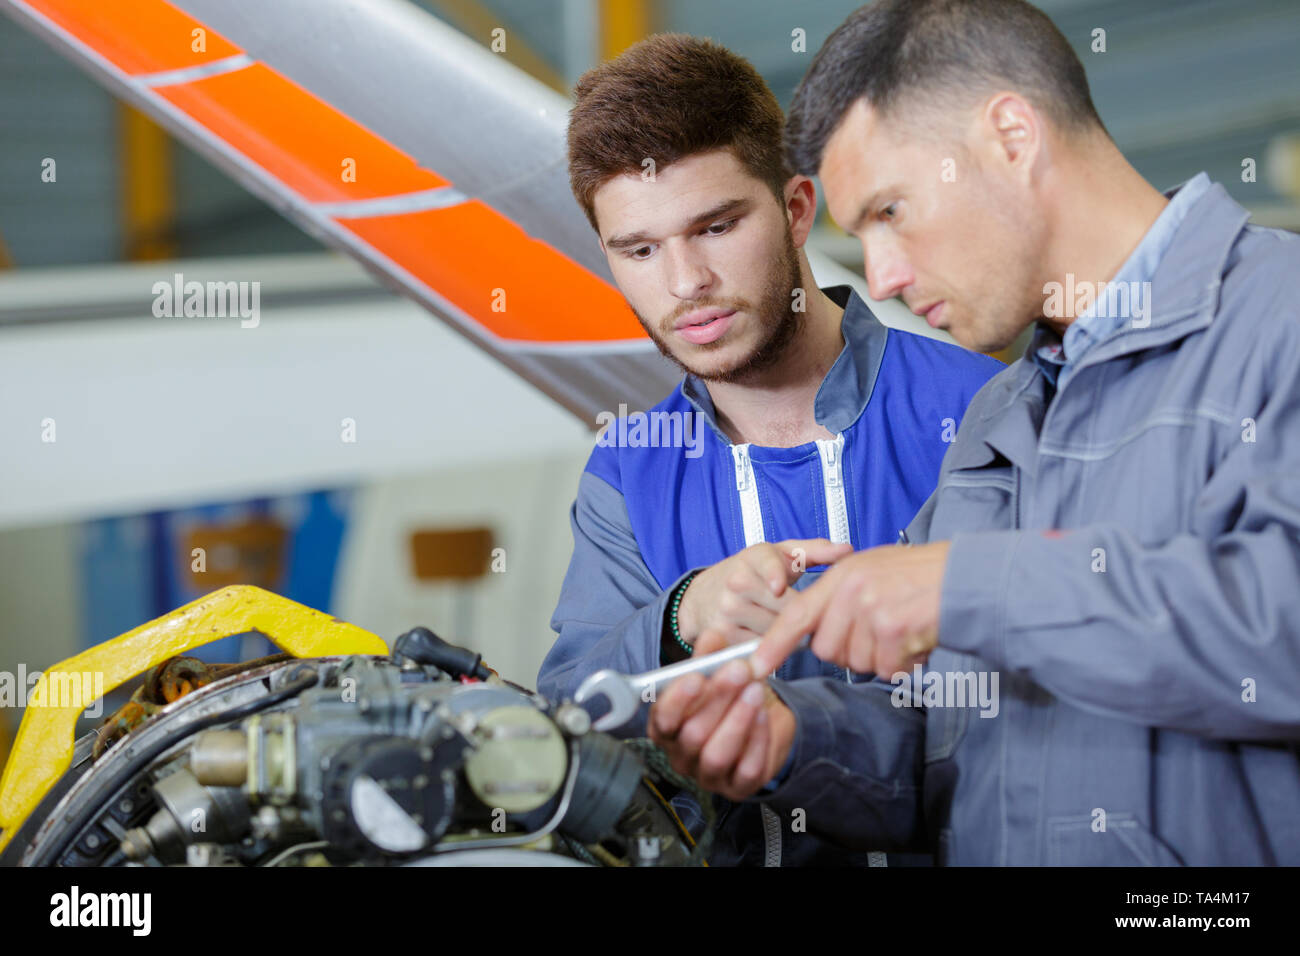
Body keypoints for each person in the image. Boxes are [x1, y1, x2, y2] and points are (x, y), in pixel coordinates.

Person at [647, 0, 1300, 866]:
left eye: (890, 212)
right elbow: (945, 740)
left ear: (1011, 136)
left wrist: (972, 585)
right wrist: (793, 741)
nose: (879, 276)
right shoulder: (1000, 416)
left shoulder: (1278, 318)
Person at [537, 32, 1002, 866]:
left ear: (794, 209)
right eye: (638, 251)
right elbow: (567, 717)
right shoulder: (629, 466)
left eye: (715, 227)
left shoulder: (980, 409)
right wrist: (683, 615)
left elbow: (1051, 714)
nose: (684, 284)